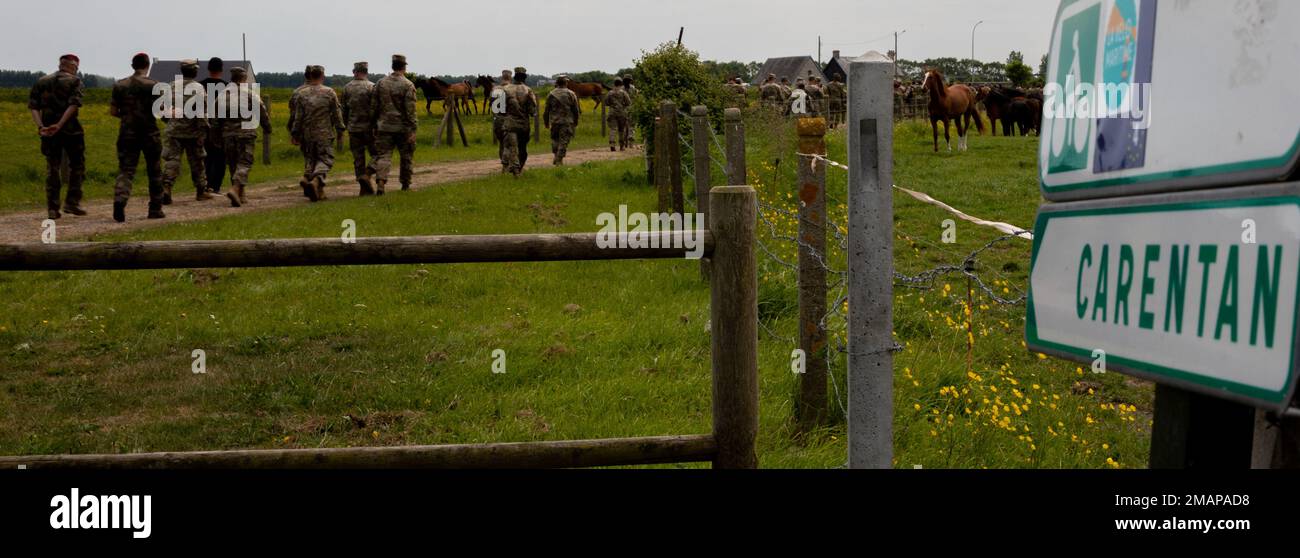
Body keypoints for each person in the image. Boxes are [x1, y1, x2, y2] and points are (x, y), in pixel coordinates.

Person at [28, 54, 87, 220]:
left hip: (47, 129)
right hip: (70, 130)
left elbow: (33, 106)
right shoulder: (75, 81)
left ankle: (53, 208)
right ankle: (72, 202)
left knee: (52, 167)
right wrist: (60, 124)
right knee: (77, 165)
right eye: (76, 67)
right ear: (73, 66)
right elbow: (73, 105)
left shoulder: (42, 81)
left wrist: (41, 127)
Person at [109, 53, 164, 222]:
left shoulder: (120, 85)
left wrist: (128, 117)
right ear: (147, 65)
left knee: (126, 170)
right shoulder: (154, 85)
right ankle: (155, 208)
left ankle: (120, 200)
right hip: (149, 133)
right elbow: (160, 111)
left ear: (132, 65)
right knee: (154, 170)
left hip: (127, 133)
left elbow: (113, 111)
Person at [287, 64, 344, 201]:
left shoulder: (301, 94)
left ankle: (316, 190)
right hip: (324, 133)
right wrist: (340, 129)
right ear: (322, 76)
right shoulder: (329, 92)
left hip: (307, 135)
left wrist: (295, 133)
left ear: (310, 76)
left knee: (311, 161)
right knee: (325, 160)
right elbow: (337, 114)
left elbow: (298, 117)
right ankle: (316, 180)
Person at [160, 59, 210, 204]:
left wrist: (170, 122)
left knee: (172, 160)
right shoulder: (198, 88)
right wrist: (204, 130)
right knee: (197, 161)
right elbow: (202, 111)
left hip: (174, 130)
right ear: (194, 71)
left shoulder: (171, 86)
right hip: (193, 132)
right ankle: (201, 191)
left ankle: (167, 187)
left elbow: (162, 109)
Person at [221, 67, 270, 207]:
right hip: (246, 134)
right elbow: (261, 112)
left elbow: (215, 119)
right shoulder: (250, 94)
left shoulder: (222, 95)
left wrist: (215, 136)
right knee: (244, 163)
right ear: (243, 79)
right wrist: (267, 127)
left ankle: (240, 194)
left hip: (228, 135)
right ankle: (236, 189)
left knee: (233, 163)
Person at [370, 54, 418, 194]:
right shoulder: (408, 85)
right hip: (403, 128)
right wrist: (413, 130)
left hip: (384, 126)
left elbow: (374, 106)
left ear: (392, 66)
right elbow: (411, 111)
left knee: (384, 155)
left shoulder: (381, 83)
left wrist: (374, 124)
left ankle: (380, 182)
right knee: (406, 156)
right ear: (404, 66)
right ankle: (405, 184)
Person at [341, 61, 378, 195]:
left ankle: (363, 188)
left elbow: (344, 110)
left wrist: (345, 125)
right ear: (366, 72)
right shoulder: (372, 87)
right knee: (378, 154)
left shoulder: (347, 88)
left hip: (353, 128)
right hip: (369, 128)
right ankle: (367, 175)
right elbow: (375, 109)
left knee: (358, 158)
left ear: (354, 72)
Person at [499, 66, 537, 177]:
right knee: (522, 148)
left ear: (514, 76)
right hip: (523, 125)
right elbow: (532, 110)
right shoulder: (528, 90)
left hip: (510, 123)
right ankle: (518, 169)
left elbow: (500, 110)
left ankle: (513, 169)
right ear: (524, 77)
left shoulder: (505, 90)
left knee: (512, 147)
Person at [200, 57, 227, 194]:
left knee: (206, 157)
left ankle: (205, 184)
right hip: (221, 128)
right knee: (220, 158)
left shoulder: (200, 86)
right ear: (222, 69)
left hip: (203, 127)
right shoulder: (227, 87)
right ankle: (215, 186)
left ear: (208, 69)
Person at [543, 76, 580, 165]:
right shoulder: (571, 94)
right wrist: (576, 121)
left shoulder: (551, 94)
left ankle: (556, 155)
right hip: (567, 122)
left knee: (555, 139)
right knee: (564, 141)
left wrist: (546, 123)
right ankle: (559, 158)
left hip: (555, 121)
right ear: (565, 83)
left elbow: (546, 111)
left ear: (557, 83)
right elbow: (576, 110)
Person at [490, 69, 511, 171]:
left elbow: (492, 105)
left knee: (502, 144)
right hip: (508, 119)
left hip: (497, 119)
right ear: (510, 77)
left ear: (502, 77)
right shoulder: (511, 88)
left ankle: (504, 164)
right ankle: (507, 165)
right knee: (510, 144)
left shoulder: (495, 89)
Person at [604, 78, 632, 152]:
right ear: (621, 84)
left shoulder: (610, 93)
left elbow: (606, 103)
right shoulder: (623, 93)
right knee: (621, 130)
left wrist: (612, 104)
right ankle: (621, 146)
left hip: (612, 112)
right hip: (622, 113)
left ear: (614, 84)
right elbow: (628, 102)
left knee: (613, 129)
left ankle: (612, 145)